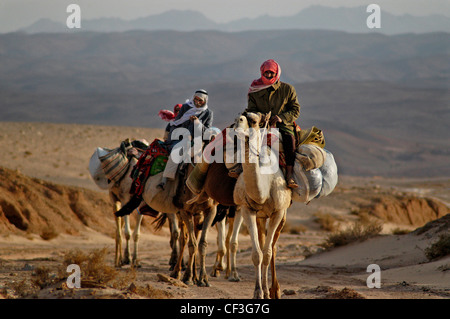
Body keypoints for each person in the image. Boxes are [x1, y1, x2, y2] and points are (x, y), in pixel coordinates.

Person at [245, 59, 300, 189]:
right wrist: (261, 117)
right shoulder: (255, 90)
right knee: (243, 139)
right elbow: (251, 109)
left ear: (277, 73)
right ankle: (240, 169)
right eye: (266, 72)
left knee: (289, 140)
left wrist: (281, 118)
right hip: (261, 124)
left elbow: (295, 110)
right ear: (262, 72)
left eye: (271, 73)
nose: (268, 75)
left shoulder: (287, 89)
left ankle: (290, 174)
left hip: (283, 125)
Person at [157, 89, 213, 190]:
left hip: (198, 139)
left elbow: (207, 130)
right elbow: (177, 122)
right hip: (182, 138)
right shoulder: (186, 107)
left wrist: (197, 123)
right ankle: (164, 181)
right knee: (176, 151)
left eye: (200, 100)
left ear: (205, 101)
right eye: (196, 99)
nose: (197, 102)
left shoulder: (208, 113)